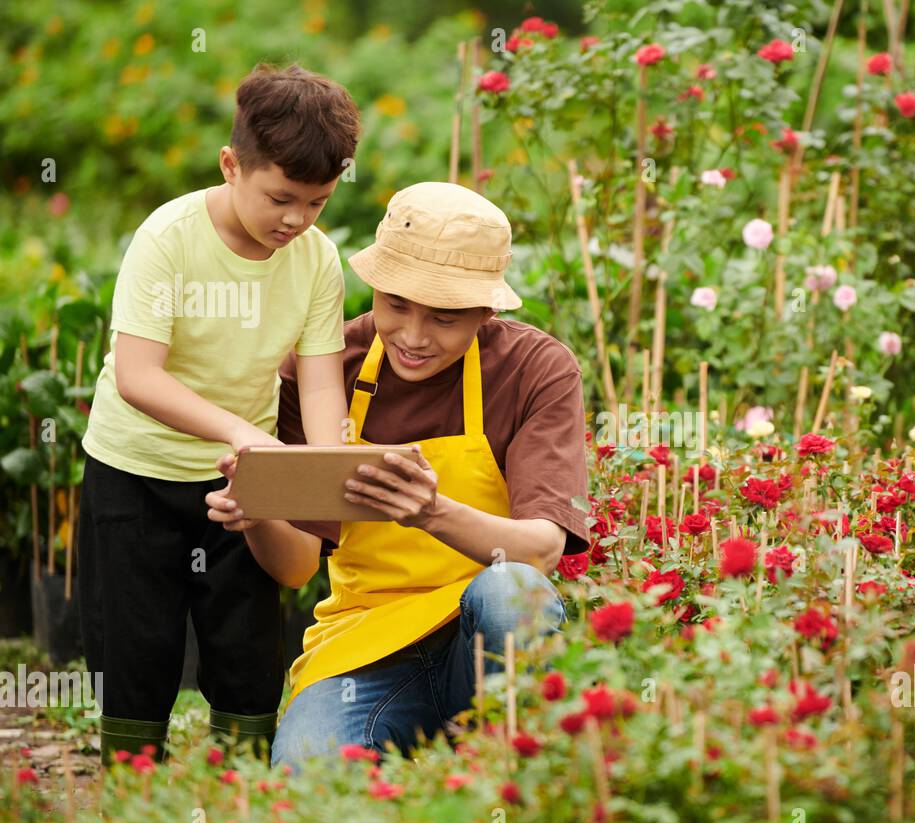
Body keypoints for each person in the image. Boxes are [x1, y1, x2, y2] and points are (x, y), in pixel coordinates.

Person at [205, 182, 590, 773]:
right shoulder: (327, 366)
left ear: (487, 312)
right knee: (308, 778)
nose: (412, 336)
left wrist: (430, 513)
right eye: (396, 305)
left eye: (444, 317)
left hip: (479, 628)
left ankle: (506, 768)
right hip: (366, 643)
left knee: (511, 592)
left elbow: (540, 550)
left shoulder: (535, 371)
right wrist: (258, 516)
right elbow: (298, 566)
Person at [78, 64, 360, 765]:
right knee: (136, 649)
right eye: (281, 198)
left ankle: (241, 798)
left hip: (243, 483)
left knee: (247, 647)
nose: (297, 220)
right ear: (231, 166)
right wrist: (241, 432)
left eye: (318, 203)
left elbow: (322, 382)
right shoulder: (168, 238)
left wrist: (318, 471)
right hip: (133, 472)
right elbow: (140, 376)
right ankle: (135, 793)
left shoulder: (317, 260)